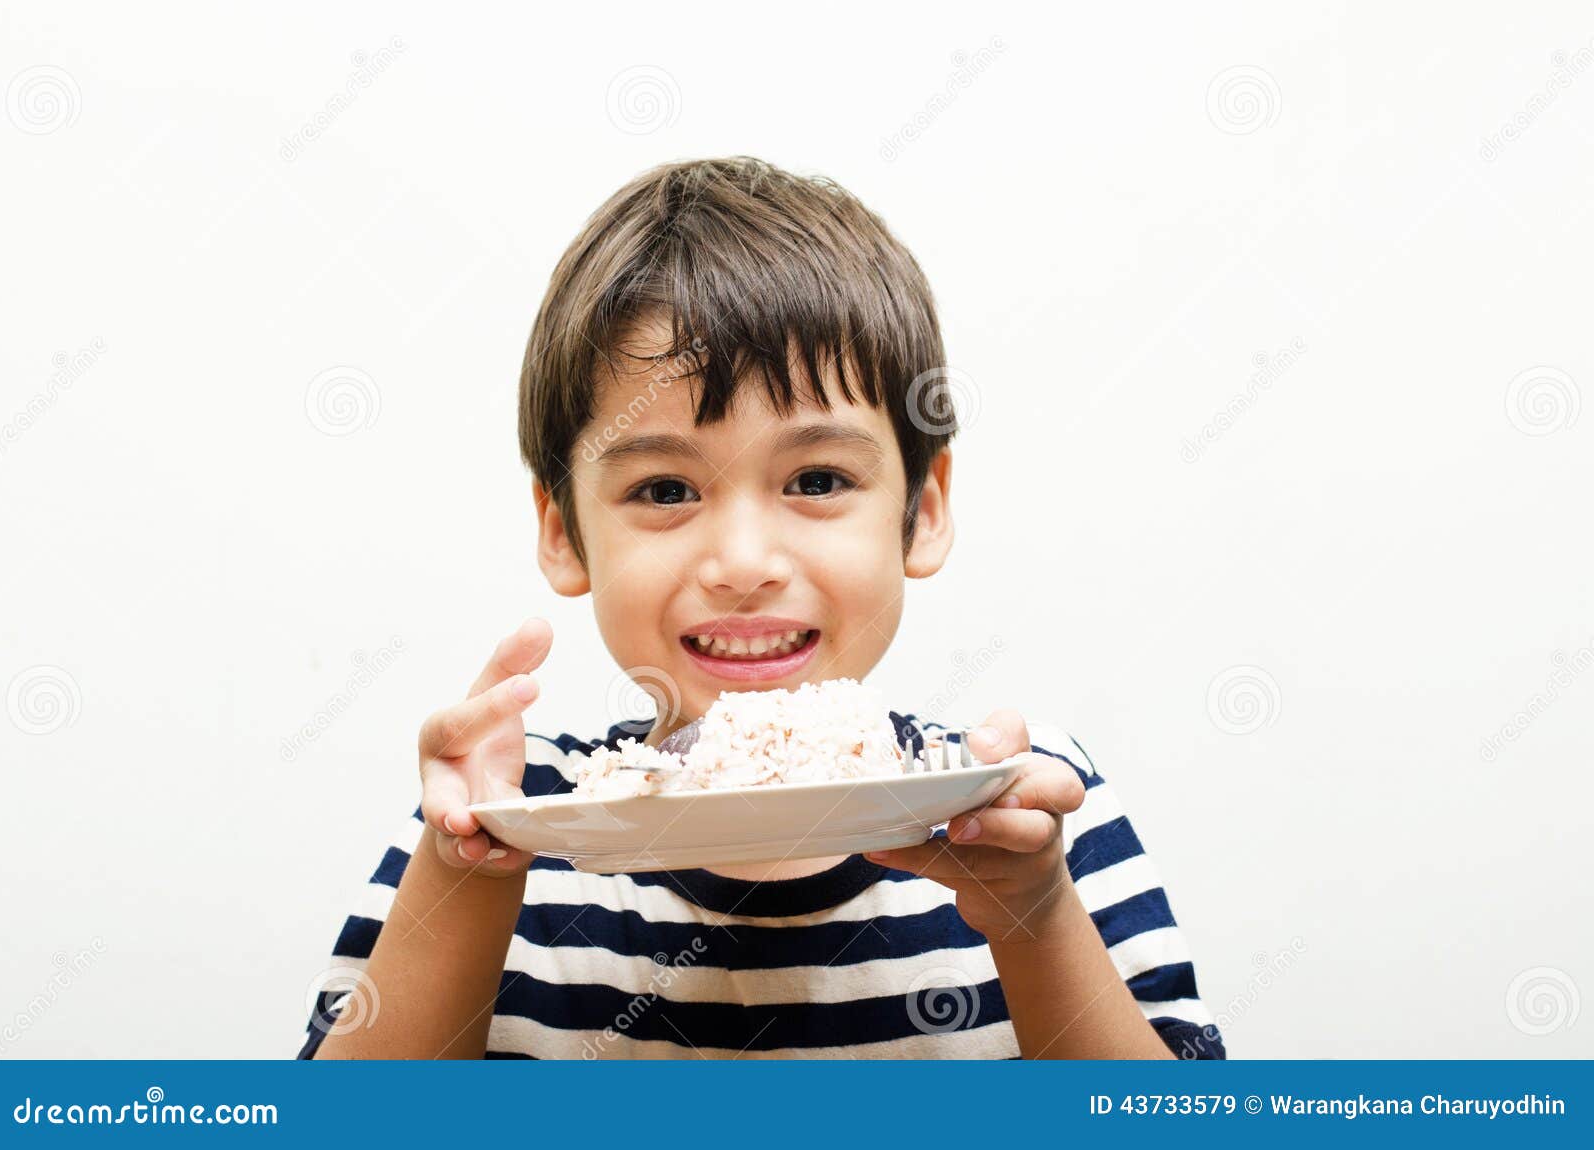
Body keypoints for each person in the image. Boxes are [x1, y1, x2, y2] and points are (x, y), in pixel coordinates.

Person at [299, 157, 1224, 1060]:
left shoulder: (1027, 808)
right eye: (664, 490)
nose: (742, 564)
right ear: (564, 532)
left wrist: (1036, 915)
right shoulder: (512, 816)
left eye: (816, 479)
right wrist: (464, 874)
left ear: (924, 510)